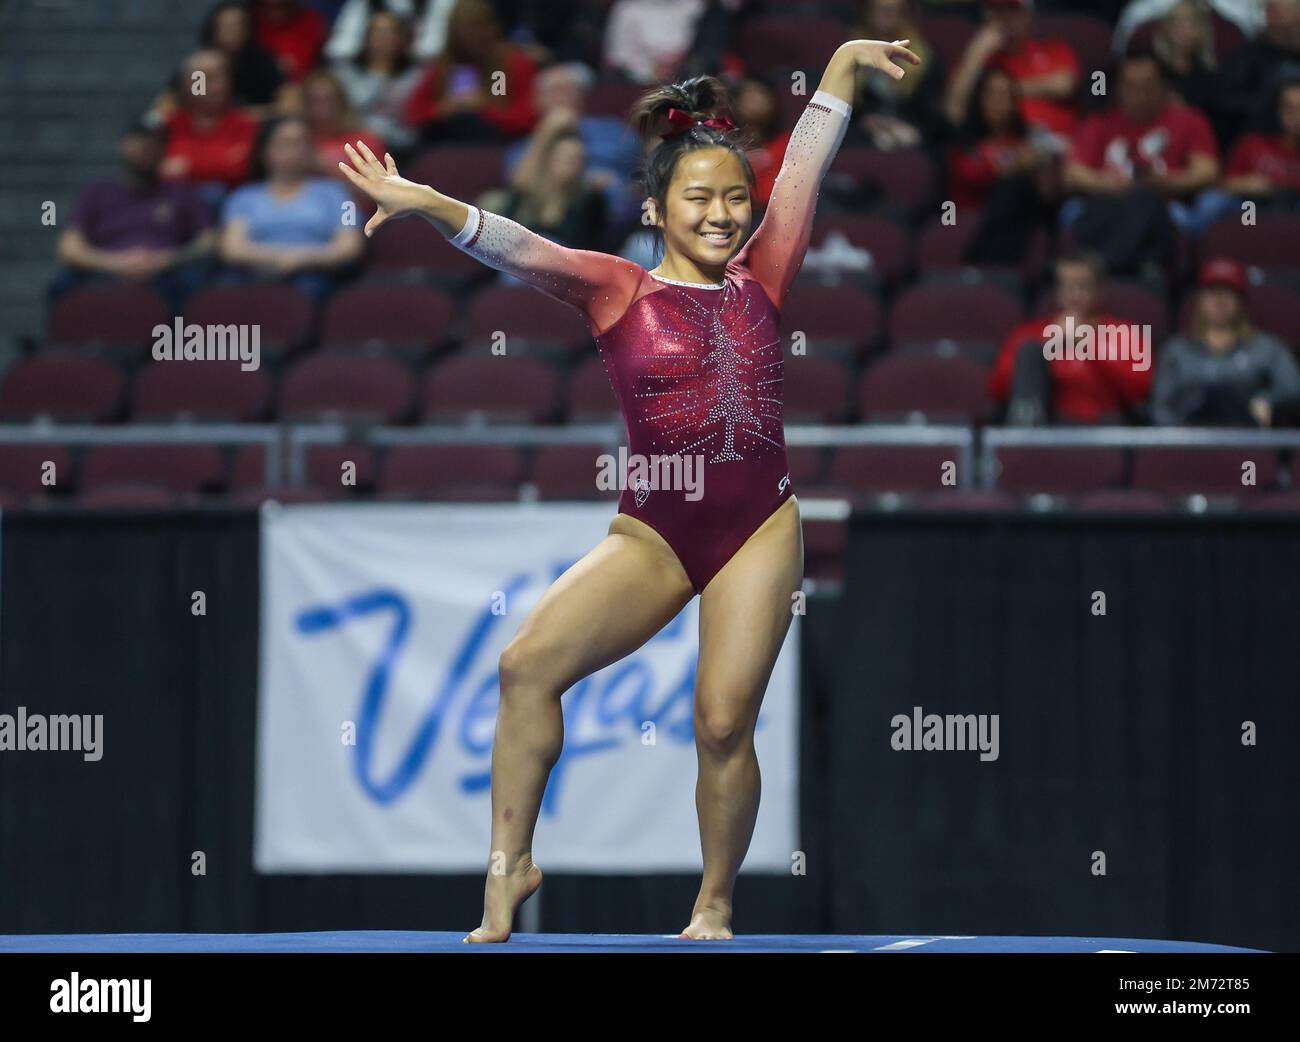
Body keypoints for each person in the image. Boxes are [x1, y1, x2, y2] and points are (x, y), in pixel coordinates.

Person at [337, 38, 922, 943]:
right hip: (654, 532)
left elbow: (808, 160)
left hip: (758, 524)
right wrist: (425, 205)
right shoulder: (618, 289)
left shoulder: (765, 274)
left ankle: (716, 903)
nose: (723, 213)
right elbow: (522, 247)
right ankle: (508, 870)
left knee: (724, 723)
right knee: (525, 667)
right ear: (656, 208)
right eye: (700, 198)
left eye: (735, 197)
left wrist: (843, 63)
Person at [1063, 53, 1220, 272]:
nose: (1140, 94)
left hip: (1166, 205)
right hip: (1108, 200)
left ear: (1164, 87)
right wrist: (1114, 186)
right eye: (1131, 86)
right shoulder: (1098, 122)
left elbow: (1207, 171)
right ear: (1118, 89)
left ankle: (1103, 266)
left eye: (1148, 85)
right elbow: (1073, 173)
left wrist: (1163, 183)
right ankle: (1134, 268)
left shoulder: (1189, 119)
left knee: (1145, 200)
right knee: (1079, 210)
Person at [52, 122, 216, 311]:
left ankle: (176, 340)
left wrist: (167, 260)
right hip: (105, 269)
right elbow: (69, 247)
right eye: (138, 145)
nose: (144, 152)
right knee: (62, 285)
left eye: (150, 146)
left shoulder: (183, 193)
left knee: (193, 283)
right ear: (122, 147)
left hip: (168, 272)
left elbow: (209, 242)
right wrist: (115, 263)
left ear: (163, 151)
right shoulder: (96, 193)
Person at [988, 253, 1153, 424]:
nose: (1074, 294)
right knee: (1029, 352)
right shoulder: (1028, 334)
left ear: (1100, 290)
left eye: (1082, 286)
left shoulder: (1125, 333)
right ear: (1057, 292)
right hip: (1046, 428)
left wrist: (1090, 346)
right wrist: (1048, 347)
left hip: (1106, 427)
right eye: (1066, 287)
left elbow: (1141, 391)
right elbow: (997, 390)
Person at [219, 116, 364, 300]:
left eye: (302, 143)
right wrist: (280, 258)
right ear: (265, 151)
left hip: (315, 276)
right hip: (252, 275)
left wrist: (300, 259)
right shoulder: (243, 197)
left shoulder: (340, 195)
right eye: (286, 143)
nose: (296, 150)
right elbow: (232, 248)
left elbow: (349, 246)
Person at [1152, 258, 1300, 425]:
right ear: (1200, 299)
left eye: (1228, 292)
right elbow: (1161, 408)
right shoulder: (1176, 351)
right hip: (1190, 439)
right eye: (1213, 292)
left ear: (1241, 301)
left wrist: (1269, 402)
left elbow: (1293, 390)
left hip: (1249, 440)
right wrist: (1178, 440)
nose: (1219, 301)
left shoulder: (1267, 348)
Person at [402, 0, 540, 143]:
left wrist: (485, 108)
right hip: (450, 142)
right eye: (465, 33)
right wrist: (444, 108)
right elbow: (414, 112)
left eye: (478, 30)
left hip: (501, 142)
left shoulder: (512, 62)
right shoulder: (445, 64)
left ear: (492, 28)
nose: (472, 39)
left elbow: (528, 117)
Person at [944, 0, 1080, 141]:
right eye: (998, 10)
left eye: (1013, 9)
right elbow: (952, 111)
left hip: (1059, 145)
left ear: (1027, 15)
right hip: (998, 151)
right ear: (987, 16)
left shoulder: (1053, 50)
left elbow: (1065, 85)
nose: (1006, 17)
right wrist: (976, 54)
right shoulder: (979, 61)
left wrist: (1001, 92)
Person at [485, 111, 607, 251]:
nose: (572, 165)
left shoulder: (590, 199)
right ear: (549, 161)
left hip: (566, 265)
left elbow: (588, 246)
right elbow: (505, 242)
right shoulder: (527, 195)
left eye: (578, 159)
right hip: (520, 263)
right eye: (564, 159)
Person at [160, 49, 260, 197]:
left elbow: (238, 169)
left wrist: (188, 167)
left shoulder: (244, 124)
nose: (216, 86)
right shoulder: (169, 124)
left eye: (222, 77)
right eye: (205, 78)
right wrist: (218, 162)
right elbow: (159, 170)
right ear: (187, 84)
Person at [331, 8, 425, 155]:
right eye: (377, 32)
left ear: (401, 38)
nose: (382, 38)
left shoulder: (417, 76)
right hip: (355, 145)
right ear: (366, 37)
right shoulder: (345, 73)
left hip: (402, 148)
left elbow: (415, 120)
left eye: (389, 32)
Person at [852, 0, 944, 149]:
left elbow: (931, 112)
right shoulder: (850, 51)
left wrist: (907, 126)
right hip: (863, 129)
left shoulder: (924, 57)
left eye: (893, 9)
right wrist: (866, 121)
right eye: (881, 8)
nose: (887, 14)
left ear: (905, 14)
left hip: (910, 129)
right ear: (868, 11)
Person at [1223, 77, 1300, 206]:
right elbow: (1223, 184)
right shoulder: (1252, 144)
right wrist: (1245, 185)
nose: (1295, 116)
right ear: (1278, 111)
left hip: (1293, 215)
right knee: (1213, 202)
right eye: (1288, 108)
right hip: (1251, 211)